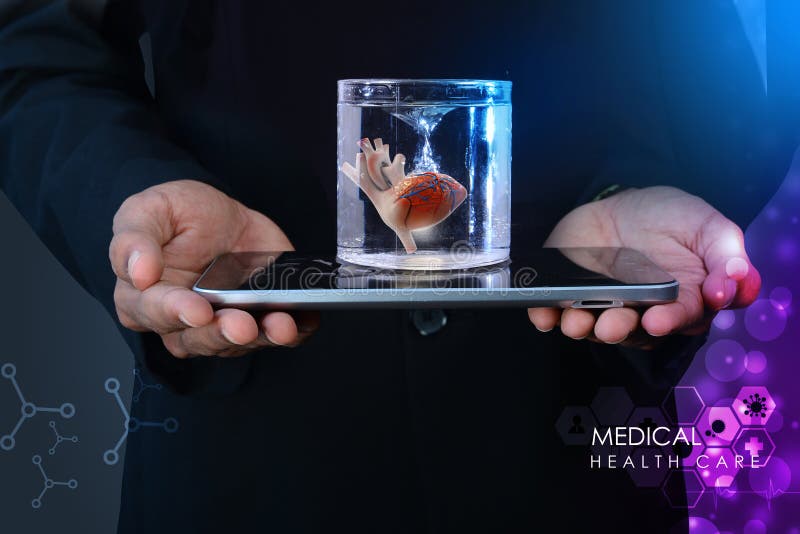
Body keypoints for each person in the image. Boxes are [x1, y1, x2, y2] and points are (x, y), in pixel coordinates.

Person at [0, 1, 792, 532]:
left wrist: (648, 184)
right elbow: (33, 43)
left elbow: (715, 58)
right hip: (250, 450)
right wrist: (134, 191)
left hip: (569, 438)